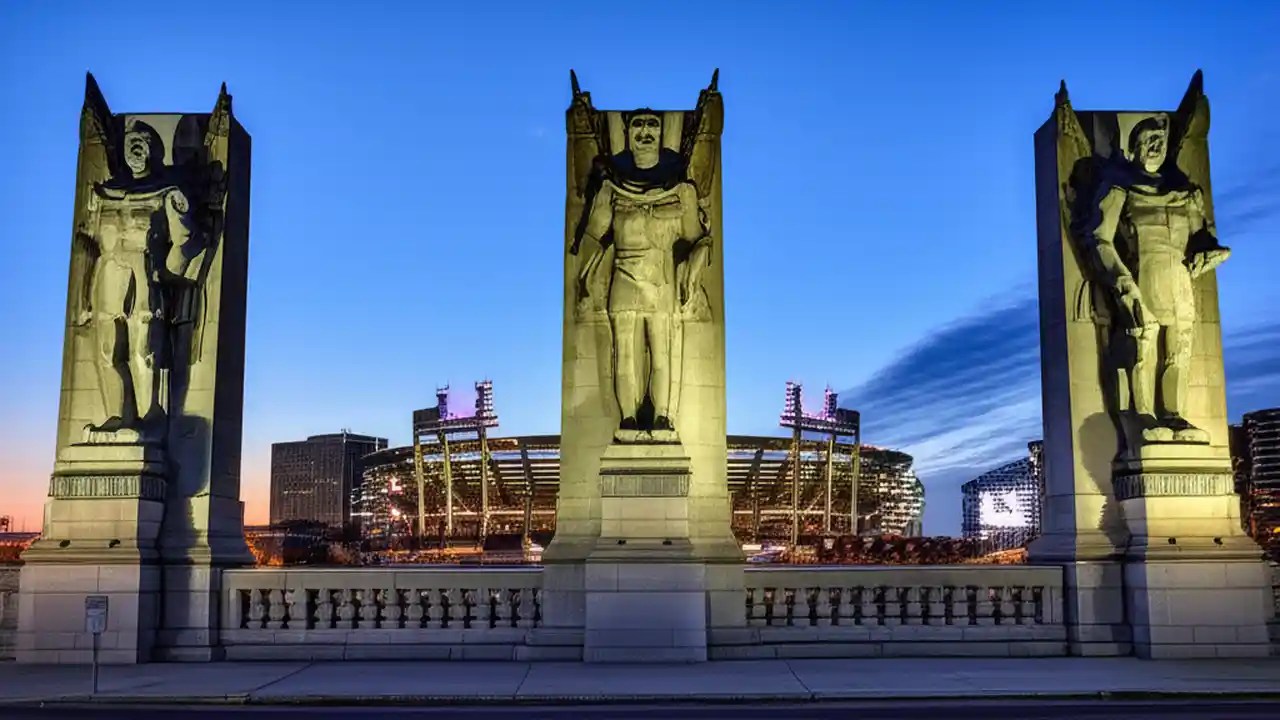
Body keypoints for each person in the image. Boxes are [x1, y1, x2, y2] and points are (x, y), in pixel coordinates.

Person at [1084, 114, 1230, 444]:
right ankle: (1144, 414)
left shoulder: (1185, 194)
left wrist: (1211, 252)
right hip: (1141, 278)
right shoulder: (1121, 189)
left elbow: (1203, 236)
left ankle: (1174, 414)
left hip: (1179, 281)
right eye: (1148, 139)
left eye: (1160, 141)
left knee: (1179, 348)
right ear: (1134, 147)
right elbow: (1099, 238)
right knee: (1143, 345)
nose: (1155, 146)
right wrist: (1123, 282)